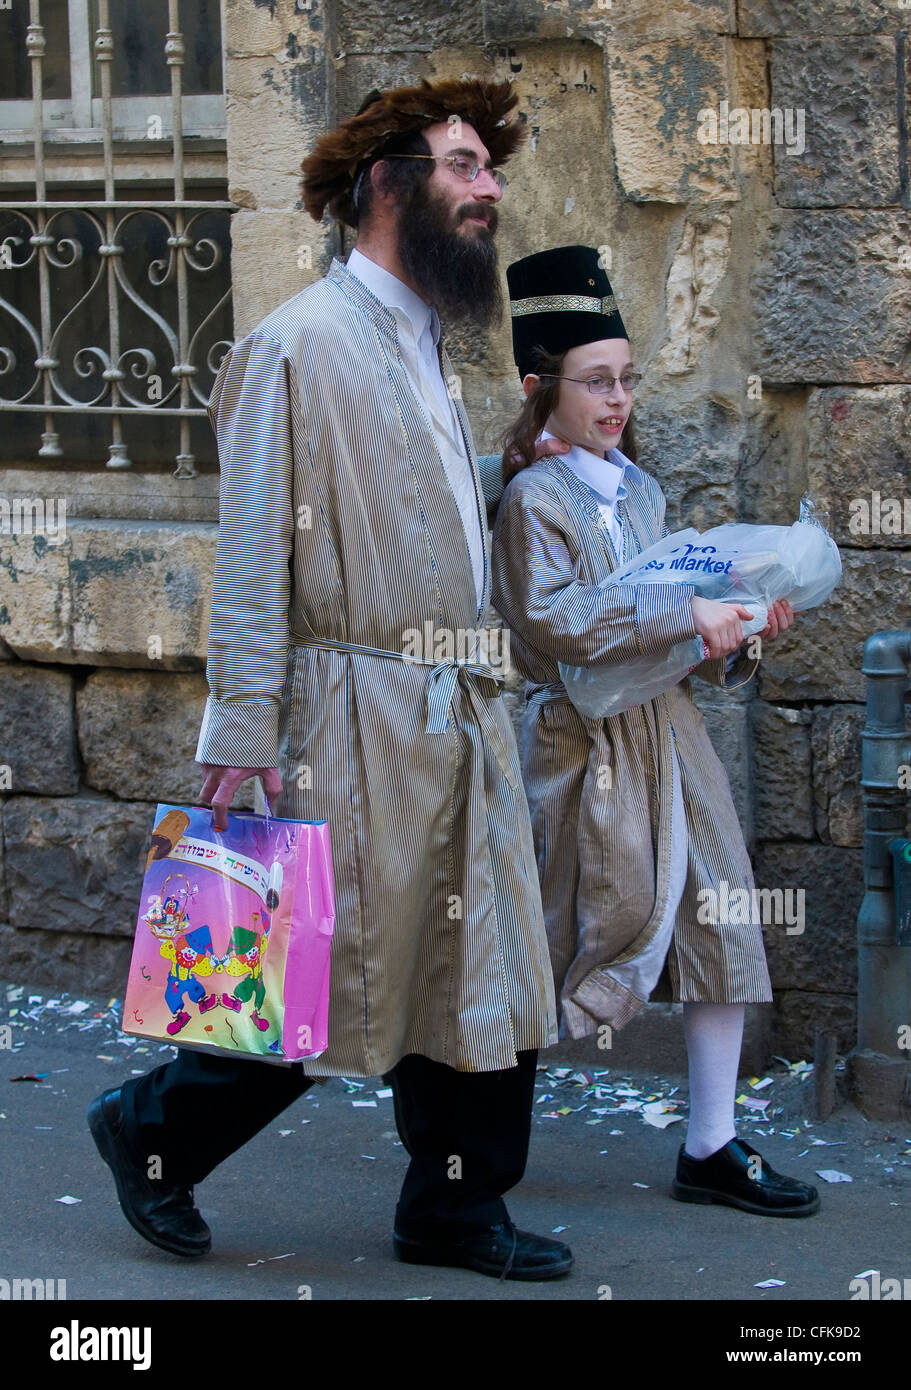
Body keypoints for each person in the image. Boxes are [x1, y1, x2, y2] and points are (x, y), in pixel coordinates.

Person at [87, 79, 575, 1282]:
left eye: (489, 170)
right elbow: (253, 549)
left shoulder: (427, 346)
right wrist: (241, 729)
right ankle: (149, 1135)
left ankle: (454, 1208)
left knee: (483, 966)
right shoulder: (293, 344)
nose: (489, 190)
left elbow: (424, 528)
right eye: (465, 165)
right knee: (310, 969)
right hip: (345, 720)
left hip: (454, 712)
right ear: (384, 184)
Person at [489, 244, 820, 1218]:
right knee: (548, 942)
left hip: (670, 738)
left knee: (719, 917)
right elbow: (552, 622)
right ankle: (472, 1158)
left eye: (627, 379)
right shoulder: (529, 501)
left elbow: (678, 634)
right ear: (537, 385)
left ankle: (709, 1143)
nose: (617, 398)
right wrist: (685, 615)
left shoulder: (637, 490)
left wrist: (739, 631)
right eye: (595, 381)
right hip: (576, 750)